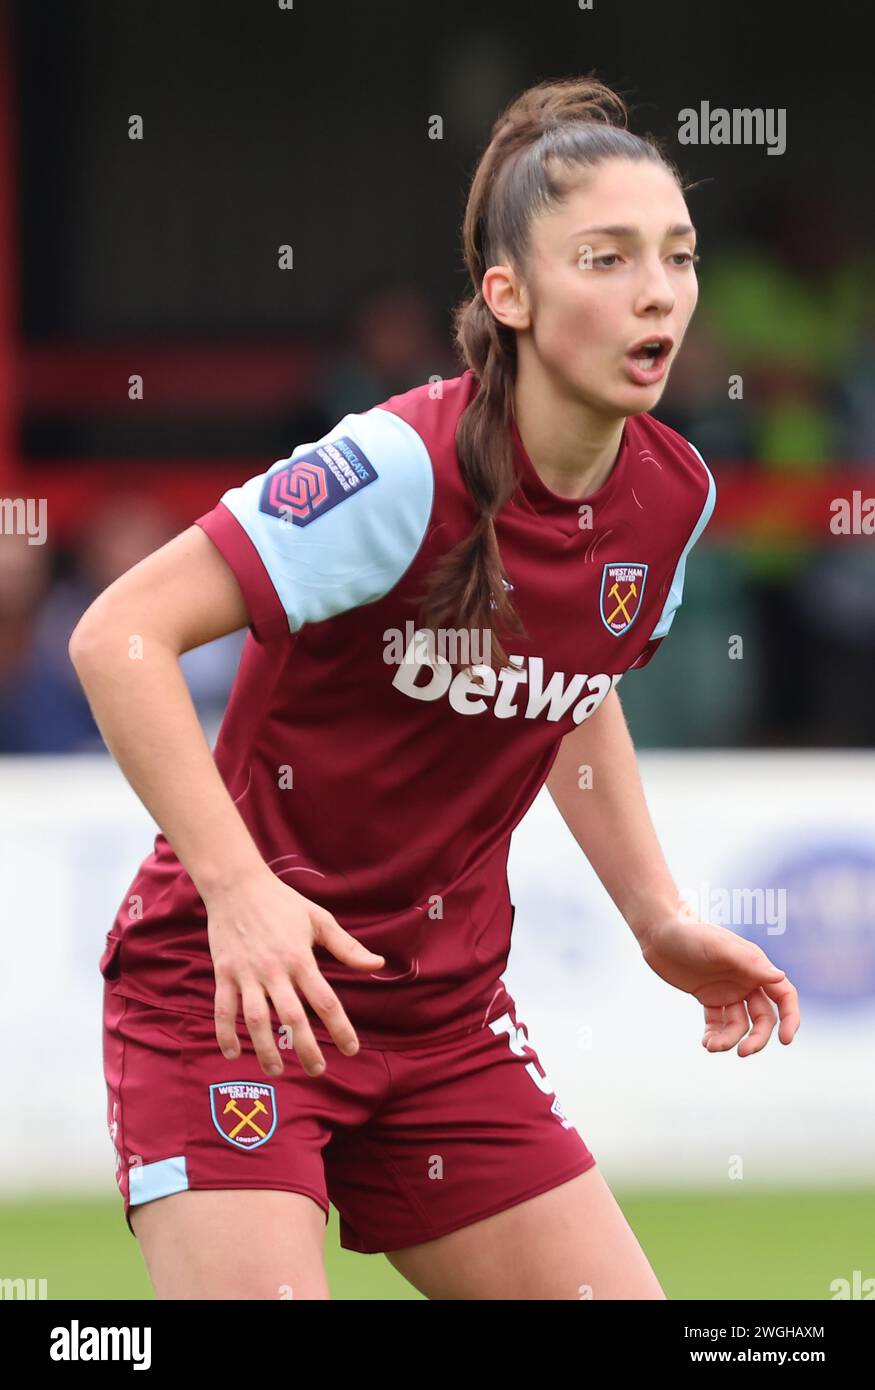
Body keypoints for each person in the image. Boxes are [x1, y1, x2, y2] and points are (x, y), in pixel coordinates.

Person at [69, 75, 800, 1301]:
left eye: (674, 255)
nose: (657, 289)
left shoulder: (670, 499)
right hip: (233, 995)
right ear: (508, 296)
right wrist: (239, 891)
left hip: (443, 1022)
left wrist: (655, 913)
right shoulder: (392, 466)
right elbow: (118, 635)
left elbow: (572, 691)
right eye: (606, 257)